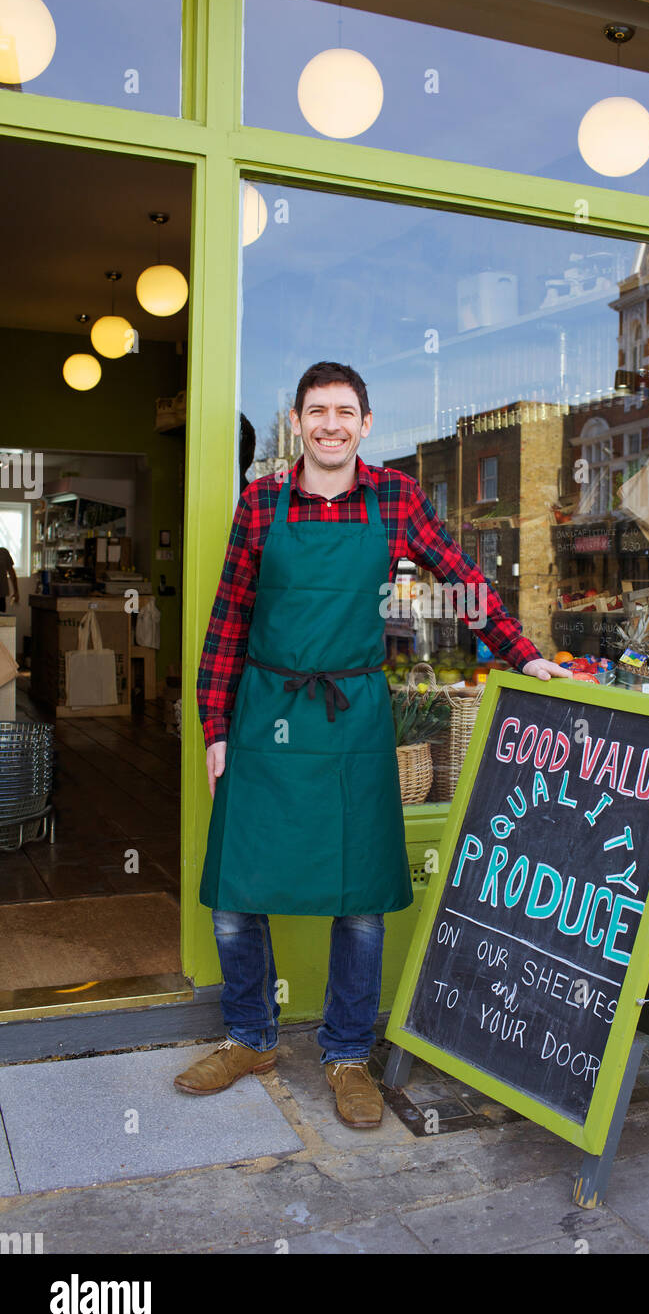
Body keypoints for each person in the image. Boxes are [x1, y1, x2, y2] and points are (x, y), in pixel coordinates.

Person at [176, 361, 571, 1126]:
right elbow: (227, 622)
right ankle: (250, 1035)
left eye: (344, 411)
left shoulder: (394, 498)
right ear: (297, 422)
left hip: (352, 716)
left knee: (359, 901)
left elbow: (461, 580)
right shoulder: (260, 501)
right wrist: (215, 728)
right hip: (265, 710)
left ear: (365, 423)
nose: (329, 423)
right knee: (235, 890)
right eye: (316, 411)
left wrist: (522, 653)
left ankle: (348, 1052)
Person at [0, 547, 19, 613]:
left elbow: (11, 573)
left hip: (1, 597)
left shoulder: (3, 552)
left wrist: (16, 591)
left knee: (2, 621)